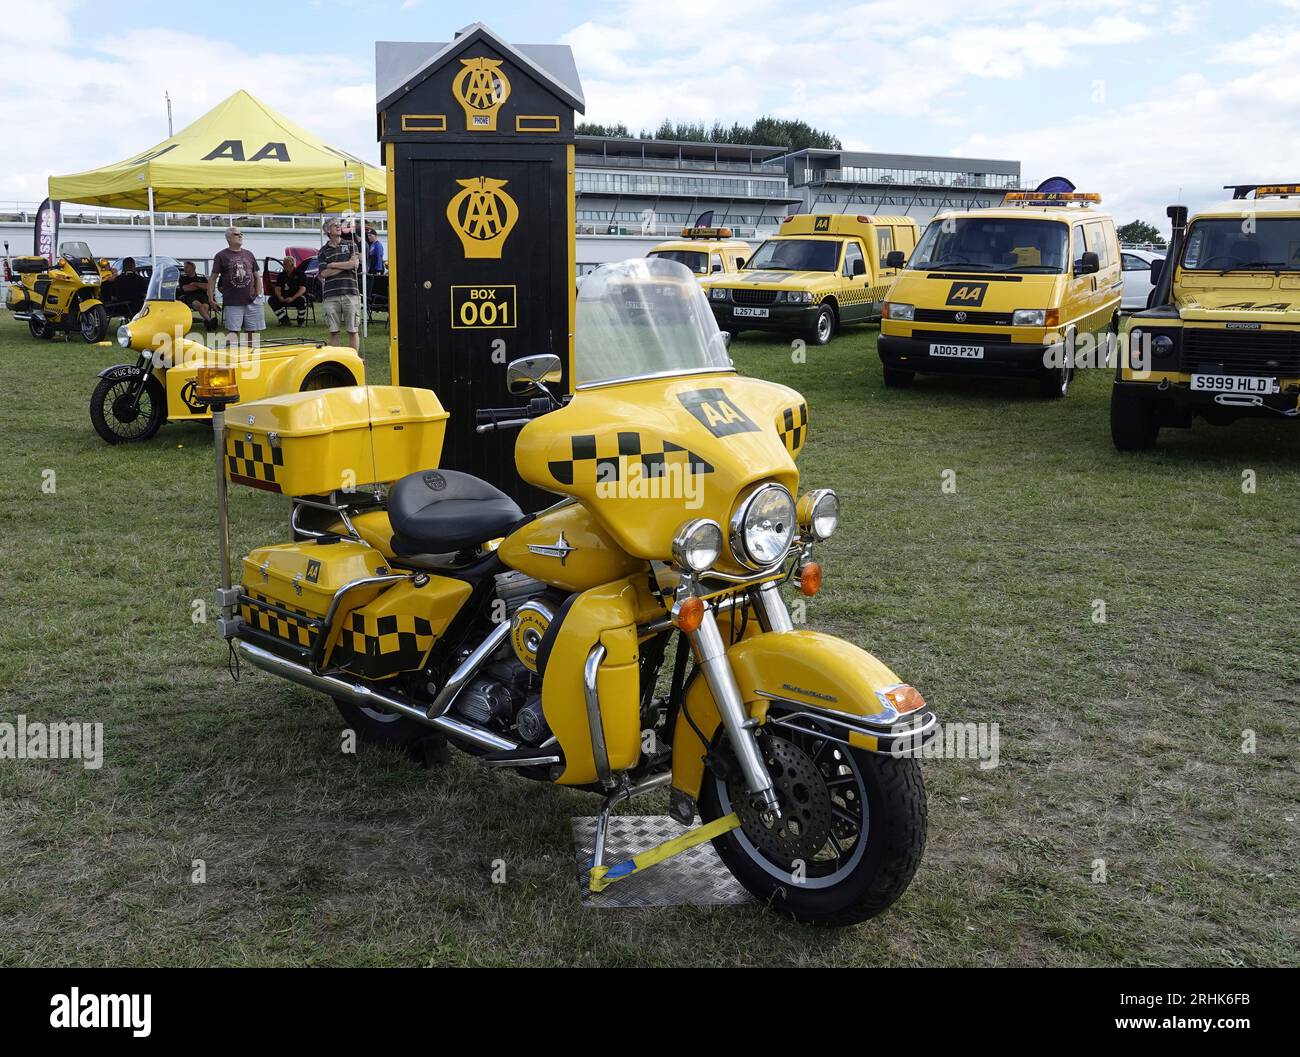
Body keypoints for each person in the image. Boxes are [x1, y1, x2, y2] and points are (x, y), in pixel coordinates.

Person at [207, 226, 264, 342]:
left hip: (252, 299)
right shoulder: (221, 256)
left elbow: (257, 276)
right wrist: (211, 298)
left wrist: (257, 294)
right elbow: (213, 278)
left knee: (251, 331)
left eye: (241, 234)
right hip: (233, 301)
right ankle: (230, 355)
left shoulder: (249, 254)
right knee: (233, 332)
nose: (240, 236)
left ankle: (250, 356)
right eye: (237, 234)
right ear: (229, 238)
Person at [318, 218, 360, 353]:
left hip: (350, 293)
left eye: (338, 225)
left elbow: (354, 264)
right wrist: (346, 264)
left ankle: (354, 359)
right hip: (331, 296)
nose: (338, 226)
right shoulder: (323, 250)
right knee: (334, 331)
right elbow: (323, 273)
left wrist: (333, 264)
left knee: (352, 330)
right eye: (334, 225)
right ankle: (335, 360)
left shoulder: (351, 244)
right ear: (327, 230)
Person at [177, 260, 217, 330]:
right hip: (190, 297)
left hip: (203, 296)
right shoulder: (183, 278)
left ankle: (207, 322)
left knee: (205, 306)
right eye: (185, 267)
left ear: (193, 268)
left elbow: (208, 286)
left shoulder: (201, 277)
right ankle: (209, 321)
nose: (185, 269)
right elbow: (186, 288)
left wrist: (195, 284)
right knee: (199, 305)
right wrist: (200, 286)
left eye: (187, 267)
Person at [269, 256, 308, 326]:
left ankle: (301, 321)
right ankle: (284, 320)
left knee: (302, 300)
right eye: (283, 264)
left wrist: (293, 298)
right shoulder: (281, 275)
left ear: (292, 264)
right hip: (284, 297)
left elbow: (302, 289)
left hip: (296, 297)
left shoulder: (300, 274)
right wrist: (280, 297)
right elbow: (277, 288)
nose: (284, 266)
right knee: (272, 299)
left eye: (285, 264)